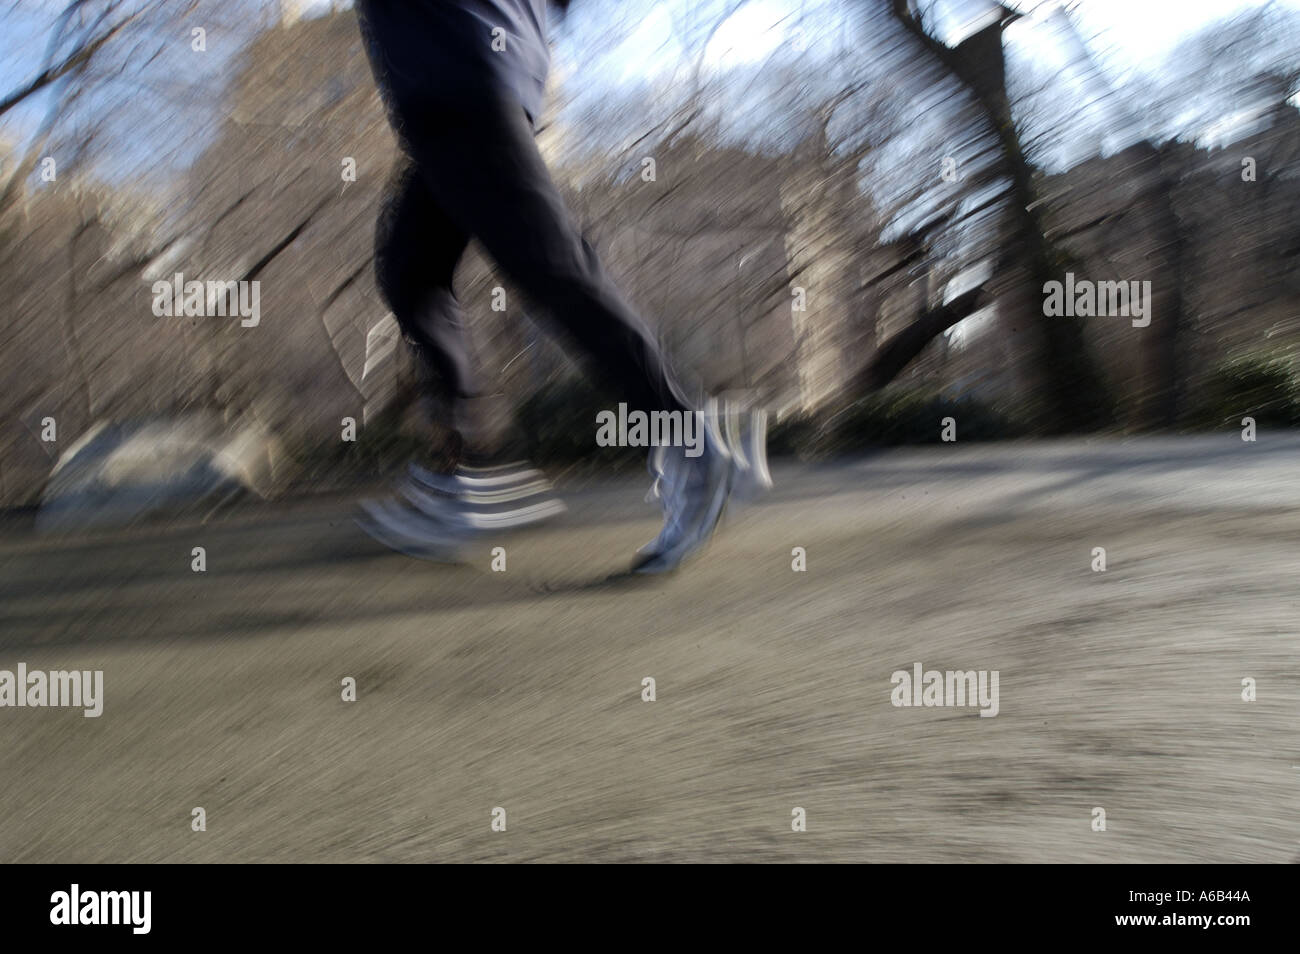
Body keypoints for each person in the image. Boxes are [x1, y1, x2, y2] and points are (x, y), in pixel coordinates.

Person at [353, 0, 769, 574]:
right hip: (453, 83)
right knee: (412, 273)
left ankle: (689, 440)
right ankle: (472, 472)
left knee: (551, 268)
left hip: (460, 78)